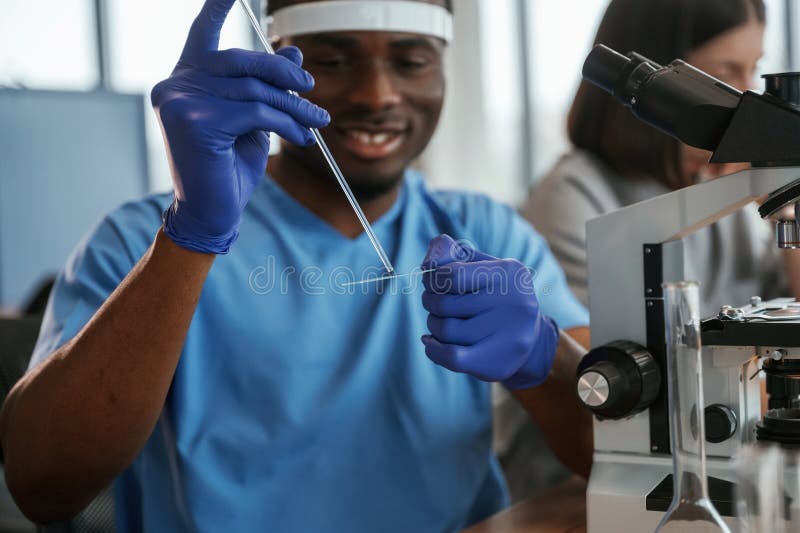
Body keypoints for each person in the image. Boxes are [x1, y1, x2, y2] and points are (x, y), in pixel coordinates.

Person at [0, 1, 592, 531]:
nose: (377, 95)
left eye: (411, 62)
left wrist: (547, 357)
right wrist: (192, 235)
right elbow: (42, 486)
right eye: (332, 62)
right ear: (272, 66)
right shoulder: (136, 242)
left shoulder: (485, 233)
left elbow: (612, 454)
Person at [526, 0, 800, 316]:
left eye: (754, 71)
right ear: (666, 88)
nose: (748, 95)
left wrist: (783, 199)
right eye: (727, 74)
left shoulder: (726, 188)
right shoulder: (572, 196)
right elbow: (580, 348)